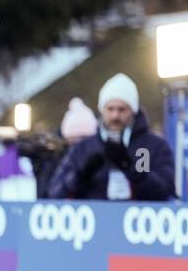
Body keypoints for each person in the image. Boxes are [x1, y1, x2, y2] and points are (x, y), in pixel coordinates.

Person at [48, 73, 175, 201]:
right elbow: (55, 192)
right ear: (101, 110)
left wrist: (131, 168)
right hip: (96, 219)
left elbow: (165, 191)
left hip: (137, 218)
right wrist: (81, 174)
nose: (115, 116)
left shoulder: (154, 146)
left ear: (133, 110)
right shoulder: (83, 148)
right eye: (110, 109)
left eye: (122, 109)